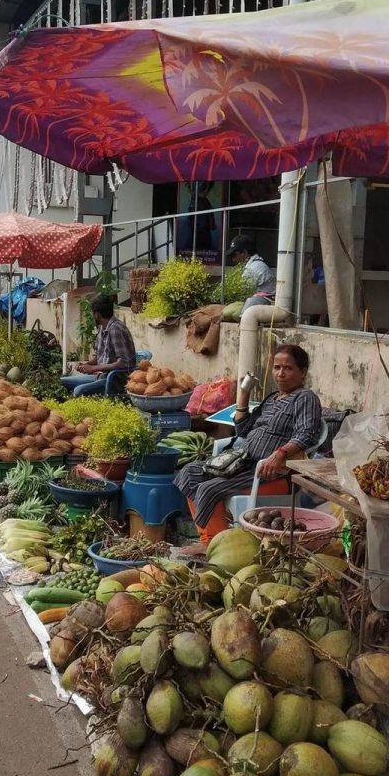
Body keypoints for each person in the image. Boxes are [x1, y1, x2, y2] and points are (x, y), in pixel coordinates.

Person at [174, 344, 323, 547]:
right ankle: (211, 540)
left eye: (288, 368)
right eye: (277, 367)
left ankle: (219, 546)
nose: (280, 373)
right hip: (242, 463)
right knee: (189, 473)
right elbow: (243, 431)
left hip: (270, 472)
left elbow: (307, 433)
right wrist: (244, 394)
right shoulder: (272, 399)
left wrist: (280, 453)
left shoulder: (305, 398)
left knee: (208, 489)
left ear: (303, 371)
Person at [61, 296, 137, 398]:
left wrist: (93, 368)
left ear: (97, 314)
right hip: (102, 376)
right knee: (62, 382)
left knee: (78, 391)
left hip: (116, 380)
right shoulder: (102, 328)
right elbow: (98, 358)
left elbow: (124, 363)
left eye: (93, 313)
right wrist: (86, 365)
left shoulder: (115, 329)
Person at [228, 234, 276, 312]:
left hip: (263, 307)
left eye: (235, 255)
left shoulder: (254, 267)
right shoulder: (252, 265)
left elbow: (241, 292)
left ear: (244, 252)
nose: (233, 259)